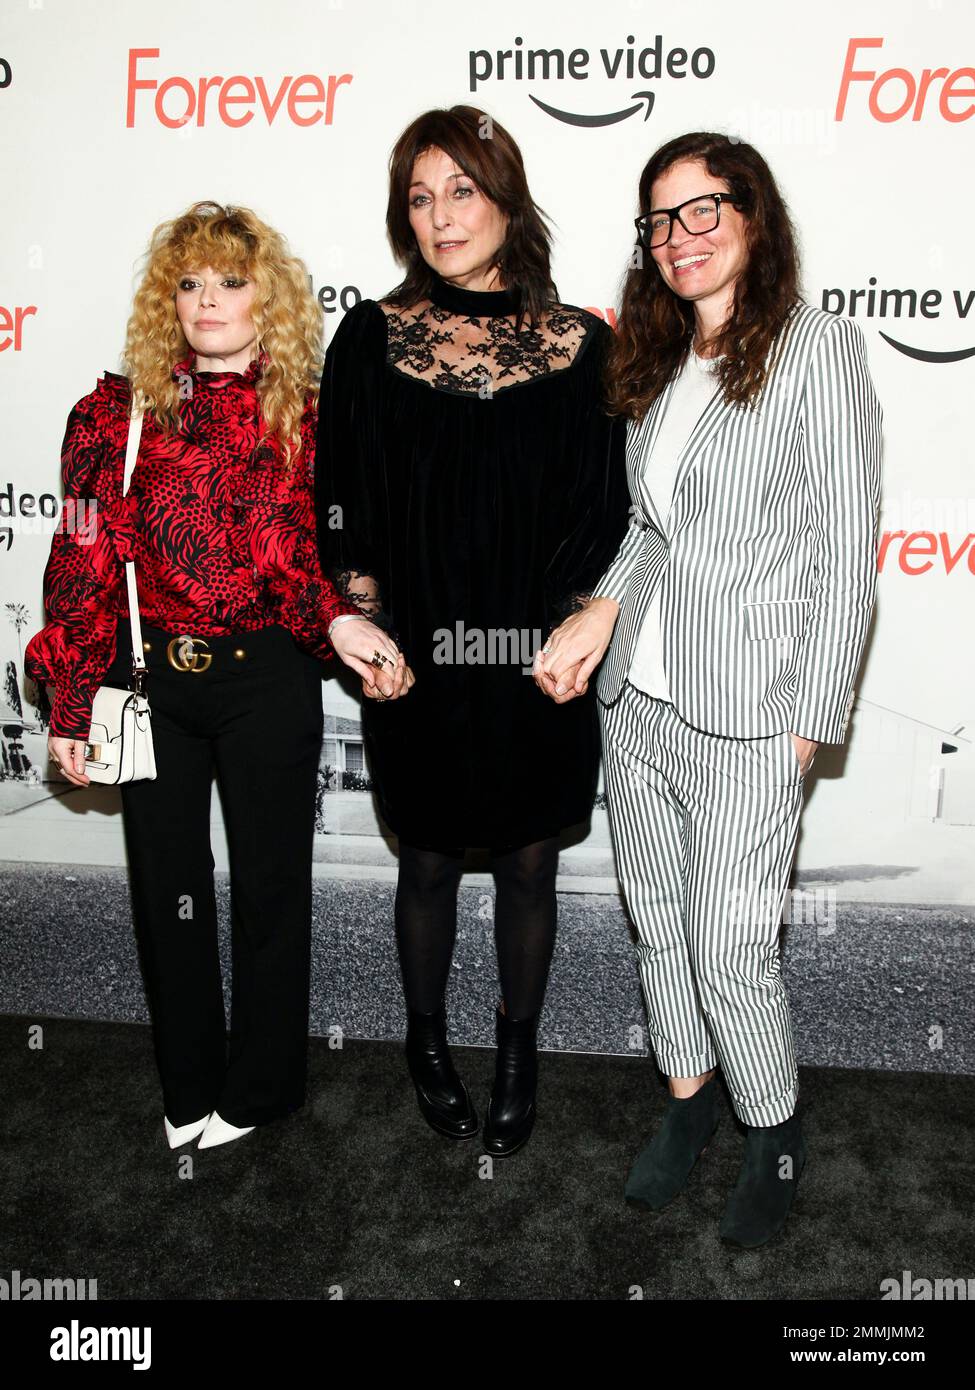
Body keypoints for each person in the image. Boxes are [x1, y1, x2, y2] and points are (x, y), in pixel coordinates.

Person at [536, 132, 882, 1245]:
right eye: (659, 219)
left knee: (735, 945)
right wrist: (599, 608)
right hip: (640, 704)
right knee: (661, 927)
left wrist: (806, 732)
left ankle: (772, 1128)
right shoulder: (658, 360)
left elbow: (844, 556)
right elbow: (652, 531)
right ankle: (688, 1104)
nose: (679, 237)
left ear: (753, 218)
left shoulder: (818, 351)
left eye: (703, 210)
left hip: (751, 719)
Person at [25, 201, 406, 1151]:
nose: (207, 300)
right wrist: (71, 699)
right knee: (167, 884)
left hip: (267, 677)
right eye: (188, 282)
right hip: (153, 679)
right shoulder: (111, 418)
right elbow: (81, 560)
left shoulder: (310, 416)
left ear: (267, 298)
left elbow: (293, 553)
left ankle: (263, 1085)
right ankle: (186, 1080)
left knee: (272, 886)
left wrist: (340, 619)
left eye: (230, 282)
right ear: (167, 299)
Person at [315, 106, 630, 1156]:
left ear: (506, 196)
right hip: (423, 657)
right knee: (430, 865)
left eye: (463, 190)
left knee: (532, 865)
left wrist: (576, 627)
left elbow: (608, 508)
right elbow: (343, 496)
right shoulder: (372, 336)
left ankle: (517, 1052)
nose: (442, 215)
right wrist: (368, 623)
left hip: (538, 657)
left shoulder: (585, 344)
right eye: (420, 195)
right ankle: (424, 1042)